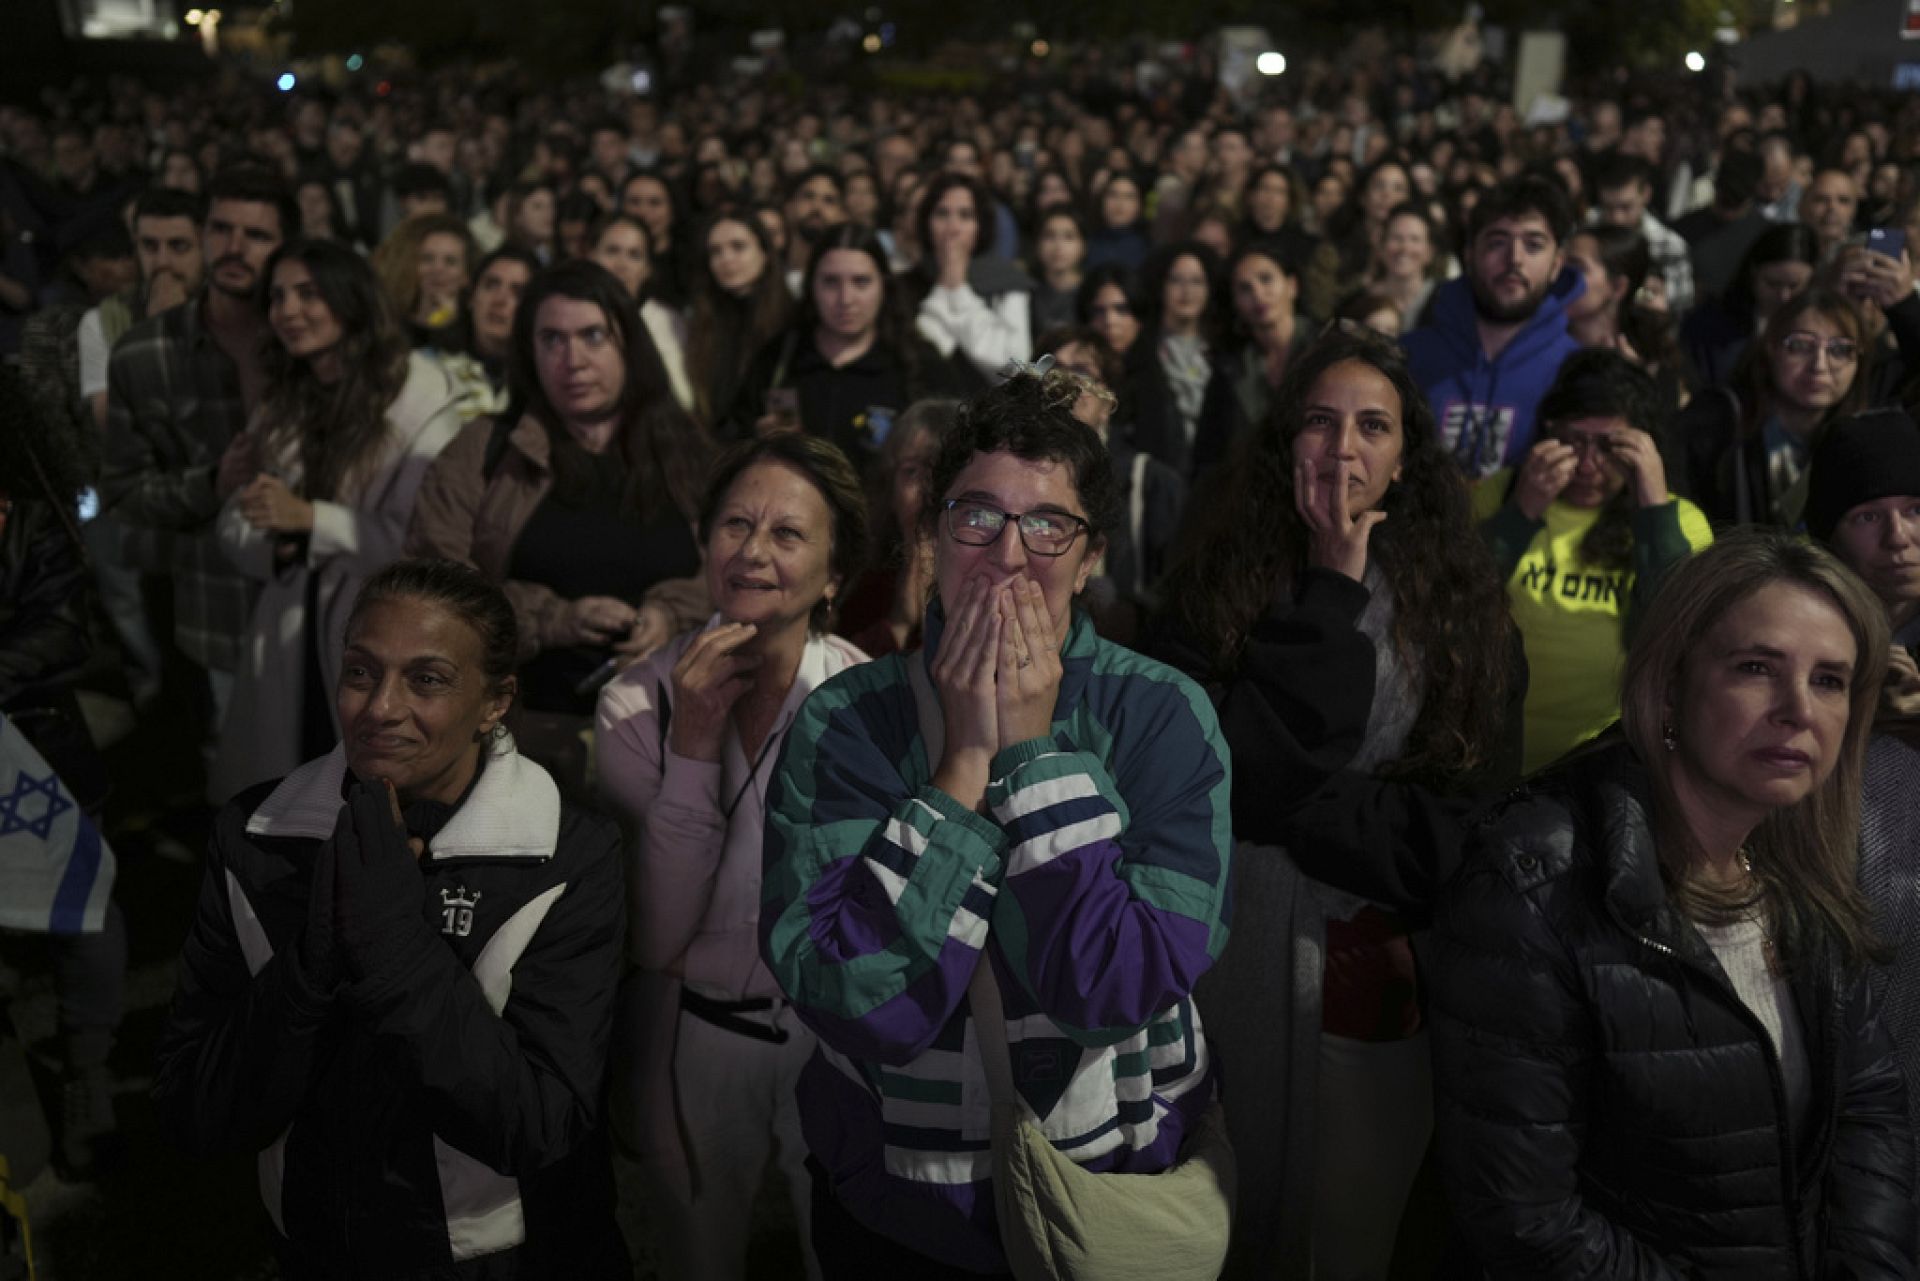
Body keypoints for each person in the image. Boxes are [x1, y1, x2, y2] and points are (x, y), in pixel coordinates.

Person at [761, 372, 1232, 1276]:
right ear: (932, 537)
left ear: (1091, 557)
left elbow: (1114, 988)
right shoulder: (845, 719)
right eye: (977, 516)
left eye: (1048, 524)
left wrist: (1032, 754)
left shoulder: (1164, 714)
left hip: (1097, 1187)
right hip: (897, 1199)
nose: (1009, 556)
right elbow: (853, 997)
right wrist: (964, 767)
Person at [1429, 530, 1916, 1277]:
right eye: (1757, 667)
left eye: (1830, 680)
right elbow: (1526, 1220)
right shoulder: (1531, 883)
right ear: (1669, 684)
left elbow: (1871, 1110)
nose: (1797, 709)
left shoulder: (1802, 866)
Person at [1155, 326, 1524, 1280]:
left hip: (1378, 998)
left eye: (1372, 424)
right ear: (1285, 443)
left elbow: (1468, 826)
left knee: (1348, 1248)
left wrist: (1282, 806)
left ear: (1407, 455)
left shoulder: (1467, 611)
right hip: (1218, 981)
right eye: (1319, 422)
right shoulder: (1211, 584)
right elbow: (1194, 780)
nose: (1343, 447)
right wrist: (1328, 587)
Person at [153, 559, 631, 1278]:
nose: (380, 706)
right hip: (311, 1246)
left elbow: (541, 1124)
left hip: (498, 1259)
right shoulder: (258, 834)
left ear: (496, 701)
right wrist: (311, 963)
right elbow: (195, 1108)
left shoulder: (568, 855)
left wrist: (393, 946)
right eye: (359, 671)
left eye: (427, 679)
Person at [597, 434, 871, 1281]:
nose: (753, 550)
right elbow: (659, 928)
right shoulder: (636, 704)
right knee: (698, 1259)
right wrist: (693, 745)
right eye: (735, 525)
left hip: (832, 1038)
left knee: (846, 1251)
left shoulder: (862, 697)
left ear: (832, 575)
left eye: (788, 534)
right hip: (698, 1034)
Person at [404, 261, 711, 793]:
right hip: (520, 739)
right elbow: (430, 595)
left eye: (593, 336)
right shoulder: (485, 449)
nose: (574, 360)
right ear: (529, 352)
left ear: (628, 344)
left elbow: (738, 574)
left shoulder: (687, 452)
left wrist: (669, 615)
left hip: (668, 734)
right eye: (552, 339)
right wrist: (552, 620)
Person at [209, 239, 465, 802]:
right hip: (288, 633)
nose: (289, 311)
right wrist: (276, 542)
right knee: (285, 798)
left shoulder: (421, 397)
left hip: (379, 631)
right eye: (277, 297)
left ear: (350, 299)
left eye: (308, 293)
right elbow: (235, 526)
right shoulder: (285, 400)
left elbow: (424, 545)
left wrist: (310, 522)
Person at [100, 166, 295, 767]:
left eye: (257, 236)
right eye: (221, 228)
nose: (235, 247)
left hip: (319, 603)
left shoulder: (311, 343)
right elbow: (127, 493)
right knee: (239, 777)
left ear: (287, 245)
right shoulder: (144, 354)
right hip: (216, 606)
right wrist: (211, 484)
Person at [1475, 349, 1713, 772]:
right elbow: (1459, 604)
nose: (1588, 464)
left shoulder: (1681, 522)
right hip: (1488, 741)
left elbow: (1672, 635)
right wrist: (1520, 514)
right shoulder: (1498, 494)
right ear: (1548, 431)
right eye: (1573, 442)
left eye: (1608, 447)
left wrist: (1652, 509)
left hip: (1601, 756)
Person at [728, 224, 962, 461]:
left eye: (861, 282)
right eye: (830, 282)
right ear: (812, 286)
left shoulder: (919, 365)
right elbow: (732, 436)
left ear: (884, 286)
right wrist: (757, 440)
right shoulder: (779, 358)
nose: (846, 299)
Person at [1404, 173, 1584, 478]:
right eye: (1497, 242)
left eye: (1534, 245)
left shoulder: (1575, 371)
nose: (1515, 259)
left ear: (1556, 265)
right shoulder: (1410, 355)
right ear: (1470, 255)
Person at [1678, 289, 1874, 528]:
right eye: (1800, 345)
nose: (1819, 365)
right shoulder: (1717, 418)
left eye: (1840, 350)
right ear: (1771, 348)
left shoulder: (1860, 438)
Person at [833, 398, 955, 658]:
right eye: (912, 472)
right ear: (890, 489)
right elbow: (838, 685)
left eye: (944, 471)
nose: (929, 490)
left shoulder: (995, 583)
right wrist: (898, 624)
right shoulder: (862, 585)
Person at [1191, 239, 1308, 480]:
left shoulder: (1327, 348)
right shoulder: (1229, 367)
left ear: (1292, 285)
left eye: (1266, 279)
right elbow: (1207, 453)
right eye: (1245, 288)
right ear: (1235, 302)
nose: (1257, 294)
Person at [909, 171, 1032, 385]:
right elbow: (920, 358)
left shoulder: (1006, 282)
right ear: (927, 222)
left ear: (980, 226)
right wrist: (945, 285)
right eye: (942, 214)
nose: (953, 228)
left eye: (965, 215)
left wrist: (957, 288)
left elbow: (1013, 366)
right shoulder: (908, 283)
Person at [685, 207, 792, 431]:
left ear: (764, 252)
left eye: (738, 247)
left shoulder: (791, 319)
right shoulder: (704, 322)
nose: (726, 259)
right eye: (715, 252)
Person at [1680, 222, 1819, 390]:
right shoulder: (1708, 324)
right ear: (1753, 274)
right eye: (1773, 284)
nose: (1784, 296)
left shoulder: (1821, 330)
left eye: (1794, 286)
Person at [1123, 241, 1221, 479]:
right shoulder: (1140, 349)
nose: (1187, 291)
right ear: (1161, 286)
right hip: (1157, 474)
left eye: (1197, 281)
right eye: (1176, 280)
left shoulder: (1223, 352)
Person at [588, 212, 695, 415]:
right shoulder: (566, 318)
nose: (622, 265)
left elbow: (684, 401)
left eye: (634, 255)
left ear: (647, 269)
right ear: (591, 256)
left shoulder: (665, 322)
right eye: (612, 251)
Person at [1303, 158, 1413, 320]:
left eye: (1398, 188)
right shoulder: (1332, 251)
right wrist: (1362, 282)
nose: (1387, 194)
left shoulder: (1418, 251)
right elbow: (1320, 309)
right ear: (1362, 196)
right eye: (1379, 186)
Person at [1591, 153, 1696, 314]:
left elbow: (1682, 302)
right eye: (1608, 207)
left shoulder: (1669, 245)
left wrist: (1658, 296)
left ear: (1646, 194)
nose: (1617, 218)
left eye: (1626, 207)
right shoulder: (1587, 230)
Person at [369, 211, 476, 350]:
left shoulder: (476, 331)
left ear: (465, 276)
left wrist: (446, 317)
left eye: (450, 261)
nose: (437, 269)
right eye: (427, 259)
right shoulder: (388, 325)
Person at [1365, 202, 1444, 335]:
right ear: (1382, 247)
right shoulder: (1361, 302)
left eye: (1415, 239)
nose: (1405, 248)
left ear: (1429, 252)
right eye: (1396, 238)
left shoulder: (1448, 301)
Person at [1026, 204, 1086, 338]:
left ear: (1083, 246)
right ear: (1037, 244)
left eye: (1069, 237)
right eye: (1049, 236)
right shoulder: (1025, 294)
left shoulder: (1092, 294)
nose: (1058, 246)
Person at [1074, 262, 1142, 359]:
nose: (1109, 321)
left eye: (1121, 310)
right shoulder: (1070, 367)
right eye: (1098, 311)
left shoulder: (1162, 366)